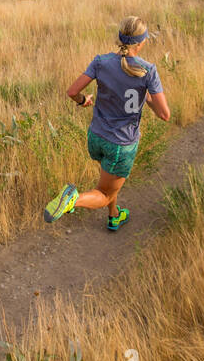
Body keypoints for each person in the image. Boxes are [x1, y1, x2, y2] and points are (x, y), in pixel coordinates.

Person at [45, 16, 170, 231]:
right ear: (141, 42)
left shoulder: (101, 62)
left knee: (108, 179)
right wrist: (146, 96)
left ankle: (114, 215)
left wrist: (84, 101)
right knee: (104, 193)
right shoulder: (148, 71)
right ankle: (72, 200)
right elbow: (164, 114)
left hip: (96, 137)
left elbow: (73, 92)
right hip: (121, 144)